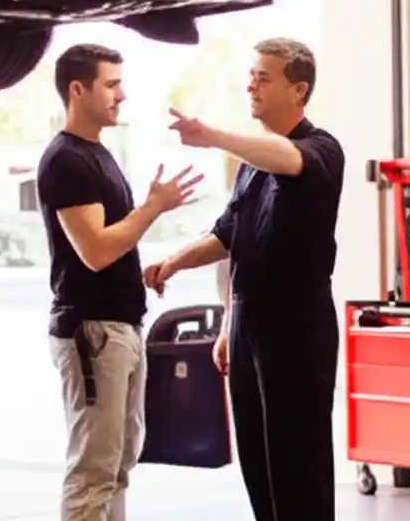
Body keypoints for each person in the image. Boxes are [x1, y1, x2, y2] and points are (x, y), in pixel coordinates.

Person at [143, 37, 345, 521]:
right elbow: (230, 235)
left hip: (298, 328)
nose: (251, 84)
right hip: (249, 325)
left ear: (299, 90)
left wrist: (213, 136)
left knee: (298, 460)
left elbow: (287, 160)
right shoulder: (251, 172)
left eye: (264, 76)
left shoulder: (320, 150)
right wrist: (176, 262)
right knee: (257, 459)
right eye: (251, 74)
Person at [36, 42, 203, 521]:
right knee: (94, 471)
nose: (121, 95)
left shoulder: (97, 155)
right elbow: (96, 251)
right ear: (77, 89)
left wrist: (143, 265)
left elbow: (112, 242)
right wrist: (154, 206)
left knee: (118, 467)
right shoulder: (66, 159)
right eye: (111, 84)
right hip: (93, 333)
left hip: (120, 328)